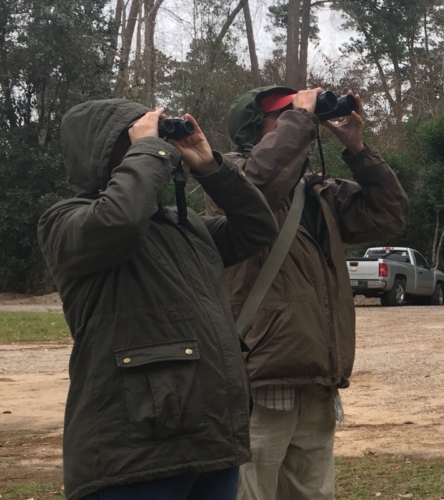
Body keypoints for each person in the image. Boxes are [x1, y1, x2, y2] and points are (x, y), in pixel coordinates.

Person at [37, 99, 280, 500]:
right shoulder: (65, 221)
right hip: (131, 455)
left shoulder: (182, 225)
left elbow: (257, 228)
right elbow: (118, 221)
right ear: (101, 152)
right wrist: (148, 149)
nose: (159, 144)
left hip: (210, 442)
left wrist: (211, 168)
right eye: (137, 137)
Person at [209, 86, 408, 500]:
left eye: (296, 115)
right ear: (252, 130)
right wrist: (299, 120)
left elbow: (389, 213)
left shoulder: (319, 194)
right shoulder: (229, 178)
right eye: (282, 116)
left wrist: (357, 149)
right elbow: (257, 187)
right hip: (259, 383)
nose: (298, 120)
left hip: (317, 381)